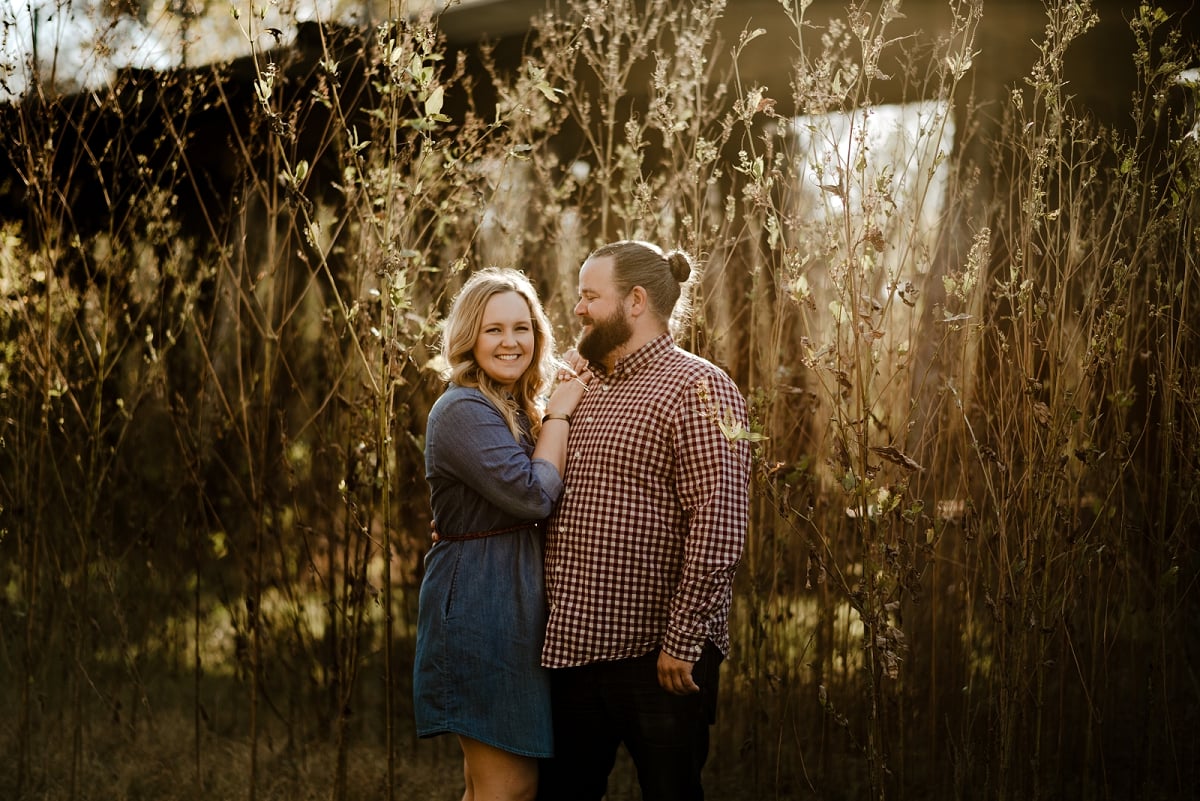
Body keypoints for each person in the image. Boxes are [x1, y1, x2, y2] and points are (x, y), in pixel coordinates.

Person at [537, 240, 753, 801]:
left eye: (590, 296)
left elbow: (719, 521)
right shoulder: (581, 387)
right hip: (574, 652)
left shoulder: (698, 387)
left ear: (635, 301)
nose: (577, 308)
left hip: (658, 661)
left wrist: (683, 641)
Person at [413, 266, 592, 801]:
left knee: (489, 787)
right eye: (494, 329)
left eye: (523, 328)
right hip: (479, 602)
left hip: (506, 596)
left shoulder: (513, 404)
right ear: (469, 336)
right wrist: (559, 416)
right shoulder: (463, 407)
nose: (511, 342)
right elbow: (532, 495)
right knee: (509, 786)